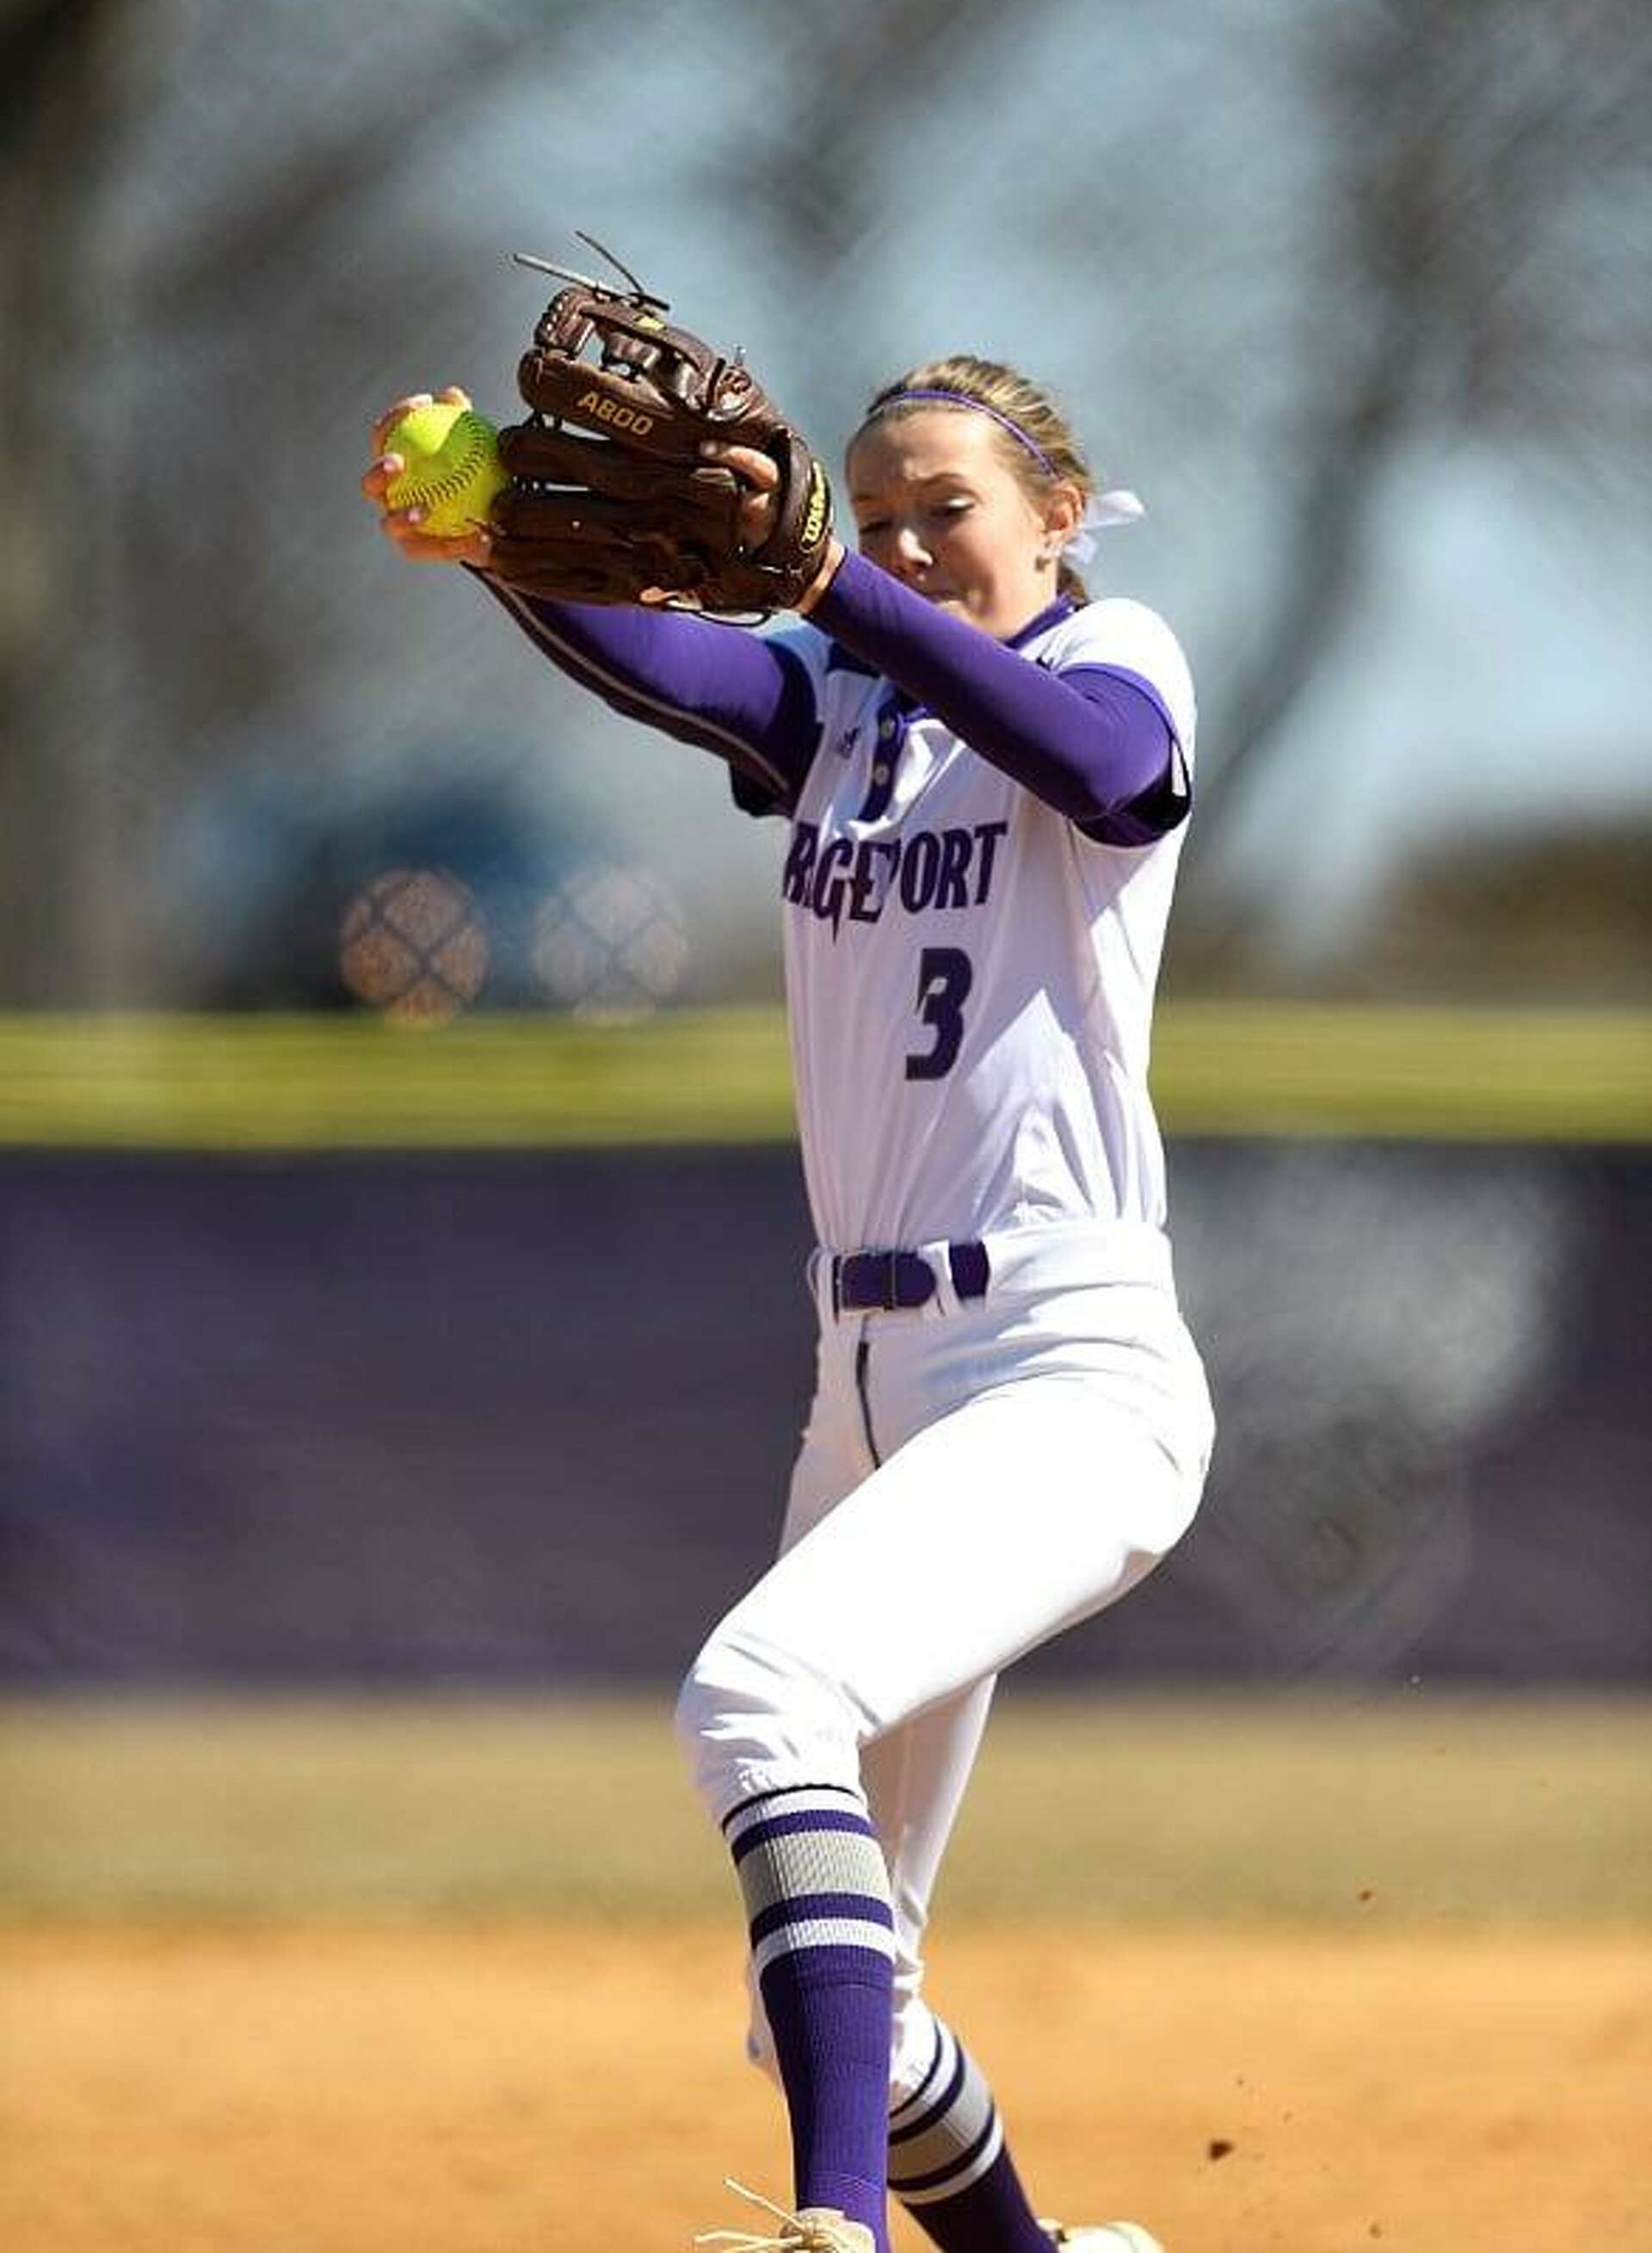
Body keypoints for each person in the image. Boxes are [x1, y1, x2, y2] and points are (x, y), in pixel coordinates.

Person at [363, 348, 1216, 2253]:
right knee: (829, 1999)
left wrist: (839, 577)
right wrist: (497, 534)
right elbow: (684, 671)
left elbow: (1108, 777)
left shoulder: (1116, 653)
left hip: (1064, 1362)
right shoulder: (846, 708)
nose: (906, 539)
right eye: (876, 507)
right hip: (866, 1379)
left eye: (948, 509)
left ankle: (834, 2230)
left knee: (760, 1697)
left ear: (1058, 515)